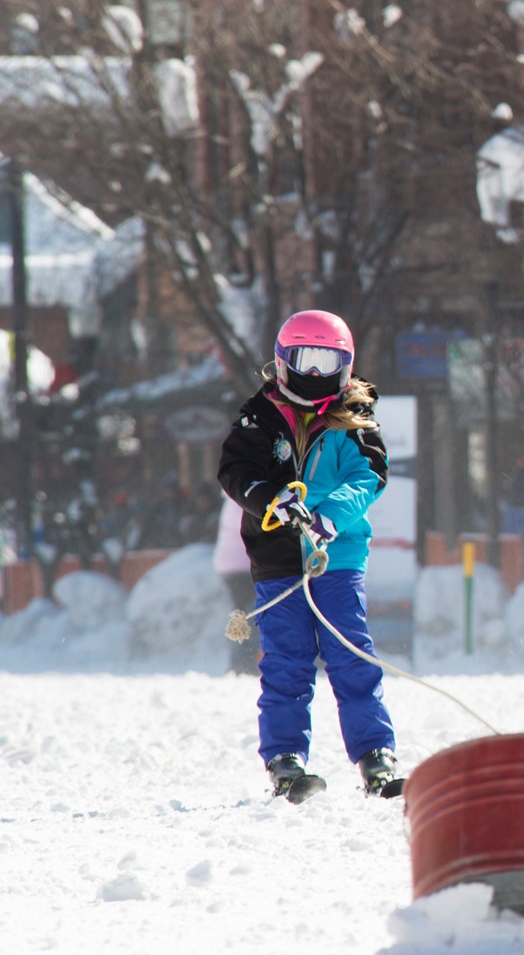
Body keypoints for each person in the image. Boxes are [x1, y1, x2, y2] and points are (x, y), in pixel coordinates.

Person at [216, 310, 400, 800]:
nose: (315, 374)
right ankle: (285, 757)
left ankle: (375, 754)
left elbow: (371, 475)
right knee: (286, 659)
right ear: (283, 360)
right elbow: (235, 471)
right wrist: (272, 500)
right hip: (278, 557)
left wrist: (331, 515)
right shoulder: (260, 416)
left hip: (335, 557)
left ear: (345, 364)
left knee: (351, 653)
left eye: (326, 362)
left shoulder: (354, 418)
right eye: (305, 360)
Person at [213, 497, 259, 675]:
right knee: (250, 614)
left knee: (242, 613)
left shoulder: (232, 498)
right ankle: (243, 662)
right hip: (242, 565)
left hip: (230, 564)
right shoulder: (242, 501)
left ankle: (240, 662)